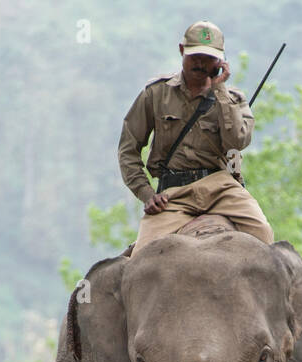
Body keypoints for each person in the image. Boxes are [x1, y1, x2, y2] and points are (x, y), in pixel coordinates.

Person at [117, 20, 274, 254]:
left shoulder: (234, 99)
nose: (201, 63)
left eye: (209, 57)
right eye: (195, 56)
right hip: (173, 194)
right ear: (182, 50)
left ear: (221, 60)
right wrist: (146, 193)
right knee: (140, 257)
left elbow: (237, 143)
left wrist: (220, 91)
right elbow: (128, 149)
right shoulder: (155, 93)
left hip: (222, 188)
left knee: (264, 235)